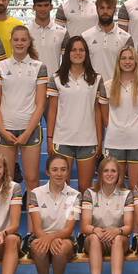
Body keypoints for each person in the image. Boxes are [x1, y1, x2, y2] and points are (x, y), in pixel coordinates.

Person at [0, 25, 50, 193]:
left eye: (23, 39)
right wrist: (2, 130)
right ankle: (10, 219)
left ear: (29, 42)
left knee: (32, 179)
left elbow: (41, 104)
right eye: (16, 39)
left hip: (29, 129)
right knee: (7, 180)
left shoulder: (39, 67)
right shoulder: (0, 66)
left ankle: (34, 219)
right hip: (6, 129)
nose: (19, 43)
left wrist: (26, 133)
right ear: (10, 41)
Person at [49, 35, 105, 191]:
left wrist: (100, 140)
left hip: (88, 140)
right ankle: (66, 216)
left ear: (86, 53)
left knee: (84, 187)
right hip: (63, 139)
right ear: (67, 53)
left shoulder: (96, 79)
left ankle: (84, 216)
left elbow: (97, 111)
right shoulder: (56, 78)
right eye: (74, 50)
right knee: (62, 187)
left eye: (81, 50)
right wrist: (50, 138)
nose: (78, 53)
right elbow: (52, 110)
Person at [27, 153, 81, 274]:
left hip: (65, 237)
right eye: (55, 169)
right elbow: (37, 227)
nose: (59, 173)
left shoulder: (74, 195)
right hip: (40, 235)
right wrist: (46, 238)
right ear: (47, 172)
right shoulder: (35, 193)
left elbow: (69, 229)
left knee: (61, 248)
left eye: (63, 169)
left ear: (68, 172)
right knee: (39, 247)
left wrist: (53, 238)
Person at [82, 157, 135, 274]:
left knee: (118, 239)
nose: (110, 174)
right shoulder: (90, 193)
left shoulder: (126, 194)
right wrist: (96, 230)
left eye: (113, 171)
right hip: (96, 238)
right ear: (99, 173)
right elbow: (85, 226)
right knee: (93, 238)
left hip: (117, 238)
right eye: (106, 170)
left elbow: (128, 227)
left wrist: (116, 231)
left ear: (119, 174)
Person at [100, 44, 138, 188]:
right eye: (123, 58)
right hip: (114, 141)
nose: (127, 61)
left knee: (137, 187)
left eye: (131, 58)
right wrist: (114, 128)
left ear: (136, 62)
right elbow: (105, 117)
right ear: (118, 62)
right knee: (116, 187)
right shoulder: (107, 86)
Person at [82, 0, 133, 81]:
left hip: (116, 89)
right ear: (97, 9)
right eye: (102, 8)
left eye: (109, 8)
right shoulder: (85, 36)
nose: (105, 11)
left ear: (114, 10)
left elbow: (130, 68)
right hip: (91, 90)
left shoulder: (126, 38)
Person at [26, 0, 68, 76]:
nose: (43, 9)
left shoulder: (62, 32)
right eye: (39, 5)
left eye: (46, 5)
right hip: (30, 82)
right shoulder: (26, 31)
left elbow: (66, 61)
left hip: (53, 83)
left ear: (51, 7)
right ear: (34, 7)